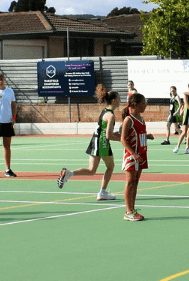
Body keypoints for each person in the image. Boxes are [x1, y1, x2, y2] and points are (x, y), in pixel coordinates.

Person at [57, 86, 121, 199]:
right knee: (110, 167)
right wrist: (121, 139)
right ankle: (102, 192)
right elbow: (108, 135)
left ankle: (69, 173)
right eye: (119, 98)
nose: (121, 100)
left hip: (95, 140)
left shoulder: (105, 111)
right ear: (114, 100)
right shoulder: (110, 115)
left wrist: (118, 134)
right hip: (102, 142)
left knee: (92, 170)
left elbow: (105, 131)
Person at [121, 91, 153, 221]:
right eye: (143, 103)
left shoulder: (141, 119)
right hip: (132, 156)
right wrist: (133, 153)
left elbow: (138, 134)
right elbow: (123, 139)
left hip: (141, 154)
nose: (145, 106)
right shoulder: (128, 120)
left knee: (135, 183)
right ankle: (128, 212)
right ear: (135, 104)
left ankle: (132, 209)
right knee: (130, 183)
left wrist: (146, 136)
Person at [174, 82, 189, 154]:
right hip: (187, 114)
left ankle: (187, 148)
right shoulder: (185, 95)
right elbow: (187, 106)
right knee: (184, 131)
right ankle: (177, 147)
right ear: (188, 87)